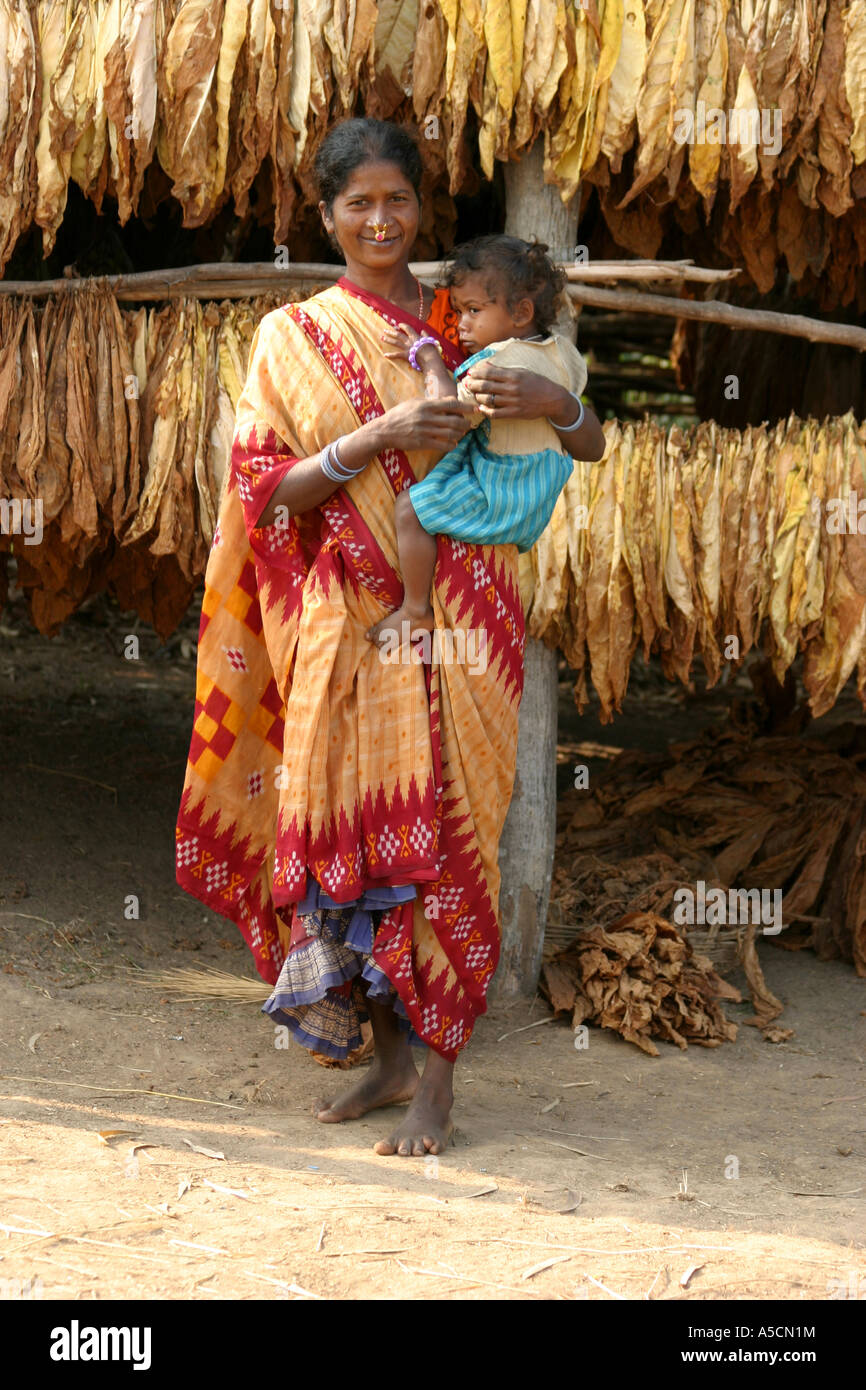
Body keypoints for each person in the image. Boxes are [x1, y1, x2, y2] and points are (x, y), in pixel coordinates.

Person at [175, 117, 605, 1158]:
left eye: (397, 199)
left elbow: (582, 441)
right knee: (352, 839)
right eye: (356, 203)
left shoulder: (480, 319)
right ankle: (387, 1058)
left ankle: (439, 1086)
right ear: (324, 217)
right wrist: (374, 438)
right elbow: (262, 487)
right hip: (346, 621)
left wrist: (555, 400)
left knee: (455, 831)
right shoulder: (294, 337)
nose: (379, 218)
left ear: (421, 206)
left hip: (470, 619)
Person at [366, 235, 589, 650]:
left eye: (472, 311)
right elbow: (577, 406)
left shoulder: (493, 366)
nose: (461, 325)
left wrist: (428, 355)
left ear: (521, 312)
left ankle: (416, 608)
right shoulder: (564, 353)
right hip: (540, 491)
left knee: (409, 509)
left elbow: (448, 413)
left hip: (502, 490)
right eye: (457, 312)